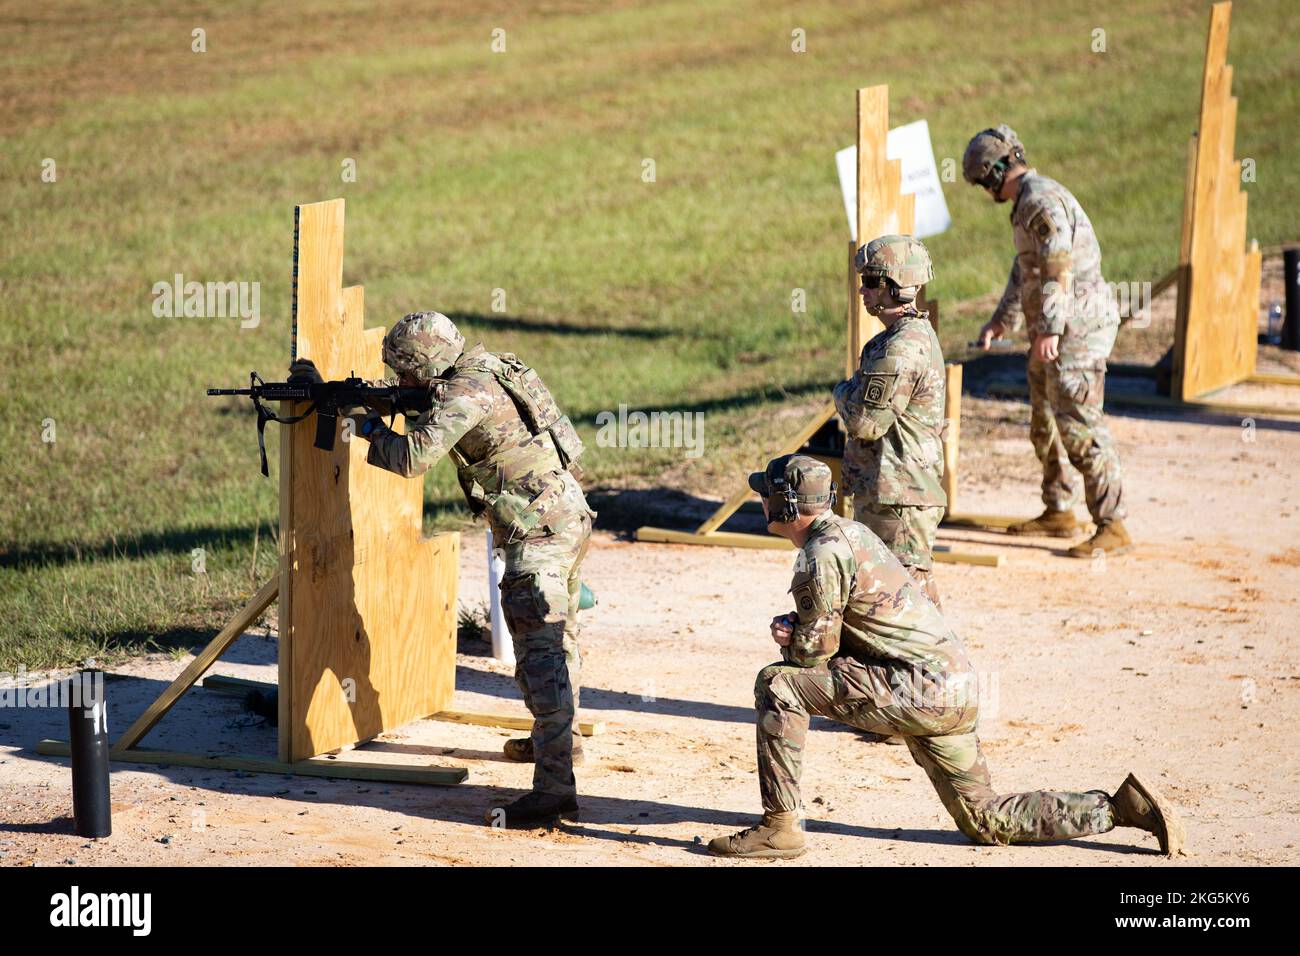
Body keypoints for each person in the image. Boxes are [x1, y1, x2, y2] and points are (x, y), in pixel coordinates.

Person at [707, 454, 1183, 859]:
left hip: (916, 689)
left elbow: (813, 655)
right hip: (948, 687)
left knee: (778, 683)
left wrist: (789, 638)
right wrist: (805, 633)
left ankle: (780, 827)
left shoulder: (819, 555)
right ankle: (1120, 808)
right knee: (986, 819)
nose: (762, 501)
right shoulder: (850, 533)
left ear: (788, 503)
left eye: (767, 494)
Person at [289, 311, 595, 828]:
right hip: (564, 515)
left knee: (540, 656)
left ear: (423, 364)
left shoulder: (461, 394)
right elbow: (431, 408)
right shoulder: (487, 369)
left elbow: (411, 458)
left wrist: (364, 425)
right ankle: (560, 748)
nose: (402, 382)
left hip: (538, 534)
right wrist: (373, 399)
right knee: (560, 645)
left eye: (405, 372)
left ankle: (554, 792)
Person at [963, 125, 1132, 557]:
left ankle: (1113, 525)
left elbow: (1058, 267)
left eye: (984, 184)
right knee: (1044, 418)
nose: (986, 193)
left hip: (1076, 331)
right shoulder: (1026, 204)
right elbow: (1027, 270)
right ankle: (1059, 509)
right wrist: (1003, 321)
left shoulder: (1038, 201)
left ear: (994, 173)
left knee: (1078, 424)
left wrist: (1051, 327)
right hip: (1053, 330)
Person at [834, 234, 947, 606]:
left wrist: (841, 392)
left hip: (900, 496)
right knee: (891, 601)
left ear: (893, 288)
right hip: (891, 489)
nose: (863, 292)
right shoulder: (894, 340)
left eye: (870, 283)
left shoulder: (901, 348)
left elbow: (865, 422)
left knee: (907, 603)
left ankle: (935, 666)